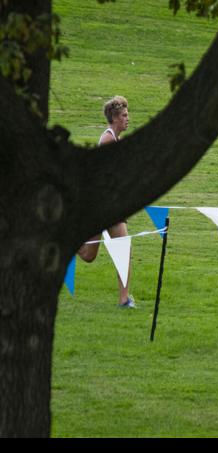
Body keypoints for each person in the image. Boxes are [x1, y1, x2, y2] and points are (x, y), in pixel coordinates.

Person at [75, 95, 137, 307]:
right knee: (88, 255)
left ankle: (124, 299)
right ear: (115, 118)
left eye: (128, 115)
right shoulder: (108, 140)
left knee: (123, 248)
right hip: (100, 206)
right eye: (125, 115)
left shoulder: (116, 140)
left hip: (112, 206)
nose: (128, 119)